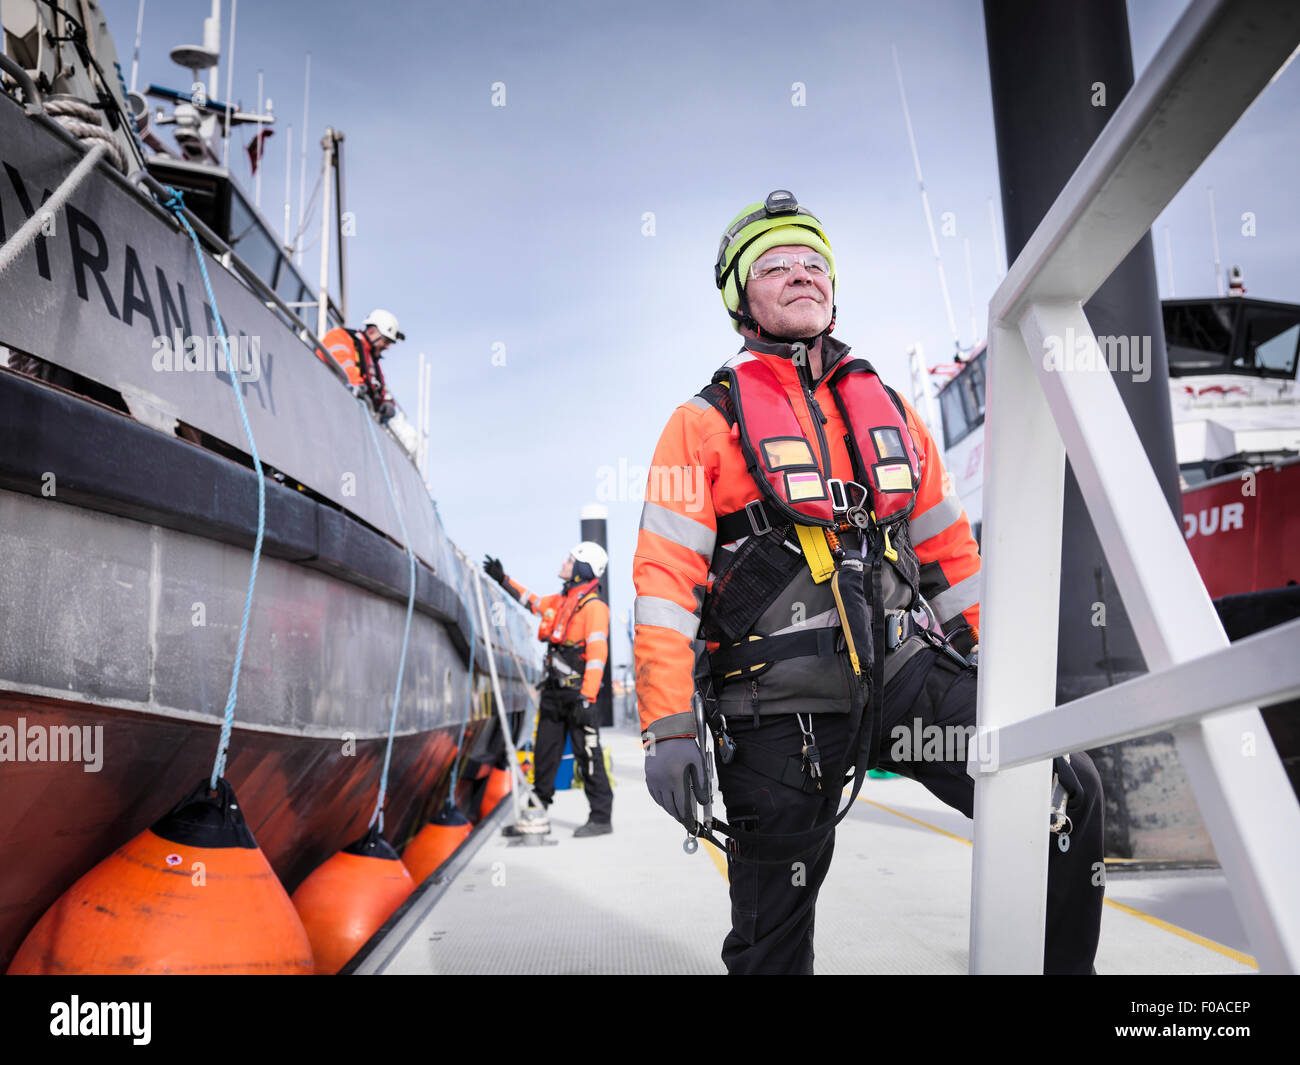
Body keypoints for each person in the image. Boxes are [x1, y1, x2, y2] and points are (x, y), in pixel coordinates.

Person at [632, 190, 1104, 974]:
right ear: (740, 297)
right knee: (771, 939)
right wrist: (670, 727)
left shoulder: (888, 411)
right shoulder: (702, 423)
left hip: (905, 679)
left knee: (1065, 788)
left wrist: (998, 673)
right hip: (779, 708)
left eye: (813, 263)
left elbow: (951, 555)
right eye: (776, 266)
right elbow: (663, 583)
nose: (801, 276)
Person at [484, 543, 615, 837]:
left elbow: (597, 655)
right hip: (554, 694)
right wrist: (503, 579)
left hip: (578, 694)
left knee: (588, 756)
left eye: (570, 560)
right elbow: (531, 602)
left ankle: (601, 818)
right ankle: (536, 812)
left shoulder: (594, 608)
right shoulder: (561, 601)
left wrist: (588, 698)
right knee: (544, 756)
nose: (564, 563)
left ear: (582, 569)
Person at [320, 309, 403, 421]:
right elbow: (342, 362)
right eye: (386, 341)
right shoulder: (340, 337)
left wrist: (384, 404)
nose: (387, 347)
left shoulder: (373, 363)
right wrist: (357, 384)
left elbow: (378, 391)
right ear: (372, 331)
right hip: (329, 401)